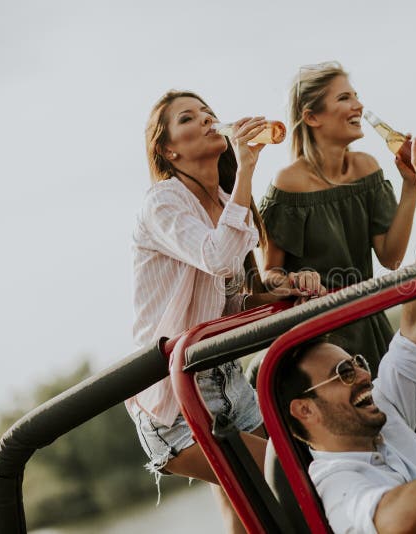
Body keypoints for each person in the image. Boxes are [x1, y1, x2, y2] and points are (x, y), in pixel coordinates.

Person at [278, 139, 416, 534]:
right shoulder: (336, 481)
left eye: (357, 364)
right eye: (344, 374)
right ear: (305, 410)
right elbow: (391, 520)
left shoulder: (383, 411)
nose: (363, 376)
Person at [126, 90, 321, 533]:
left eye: (208, 112)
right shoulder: (163, 202)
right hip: (177, 400)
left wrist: (287, 287)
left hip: (227, 383)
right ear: (167, 148)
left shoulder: (227, 200)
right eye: (187, 118)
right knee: (294, 481)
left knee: (247, 520)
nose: (207, 119)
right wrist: (249, 164)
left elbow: (234, 297)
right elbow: (215, 256)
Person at [259, 61, 416, 373]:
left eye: (356, 96)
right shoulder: (287, 184)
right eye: (344, 98)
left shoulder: (368, 168)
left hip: (369, 321)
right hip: (319, 340)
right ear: (312, 117)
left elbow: (391, 257)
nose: (358, 105)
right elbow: (268, 273)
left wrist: (411, 185)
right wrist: (294, 281)